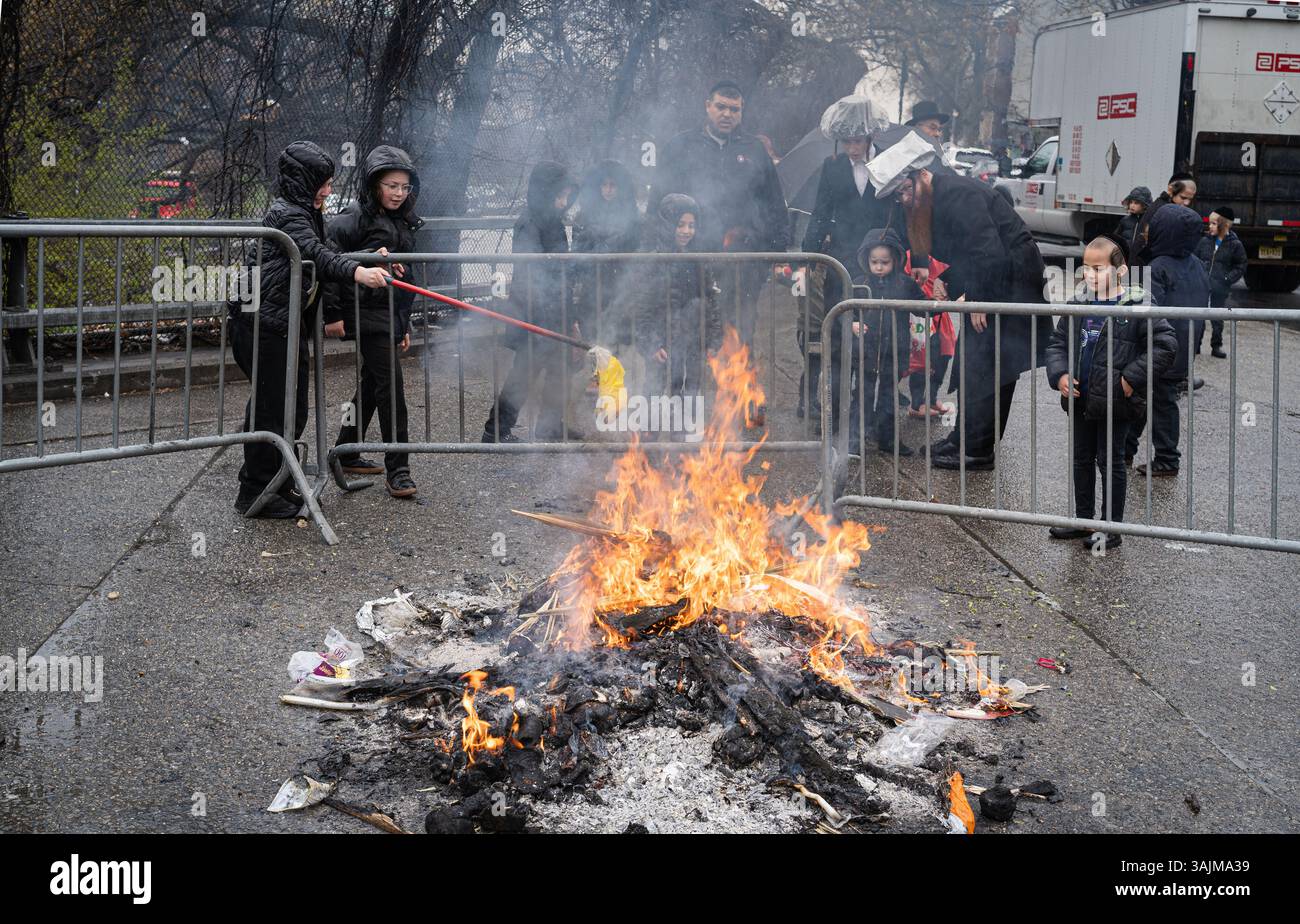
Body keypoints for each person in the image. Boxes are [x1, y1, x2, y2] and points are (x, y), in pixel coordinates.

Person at [227, 140, 390, 518]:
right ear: (303, 181)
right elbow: (315, 254)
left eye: (331, 182)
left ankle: (274, 483)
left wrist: (367, 257)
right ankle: (255, 493)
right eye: (323, 182)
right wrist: (358, 272)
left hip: (281, 327)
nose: (329, 191)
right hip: (263, 328)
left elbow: (328, 246)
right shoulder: (287, 215)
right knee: (273, 412)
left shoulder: (303, 211)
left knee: (289, 411)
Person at [887, 162, 1050, 471]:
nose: (905, 200)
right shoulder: (939, 195)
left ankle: (976, 451)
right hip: (996, 282)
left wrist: (980, 299)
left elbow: (988, 251)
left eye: (907, 191)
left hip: (1009, 283)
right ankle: (964, 439)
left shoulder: (959, 194)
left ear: (922, 176)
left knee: (985, 367)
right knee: (972, 362)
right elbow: (968, 255)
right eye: (899, 196)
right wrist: (950, 283)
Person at [650, 79, 790, 423]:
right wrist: (660, 249)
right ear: (707, 107)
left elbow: (775, 204)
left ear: (742, 112)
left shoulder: (754, 150)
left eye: (735, 109)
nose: (728, 114)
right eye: (721, 107)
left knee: (740, 330)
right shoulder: (679, 147)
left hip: (742, 263)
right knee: (686, 329)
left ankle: (745, 400)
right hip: (690, 262)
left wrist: (771, 252)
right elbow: (658, 205)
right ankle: (683, 404)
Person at [1044, 236, 1176, 551]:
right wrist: (1060, 374)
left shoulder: (1138, 305)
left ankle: (1110, 527)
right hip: (1081, 398)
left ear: (1120, 270)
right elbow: (1058, 343)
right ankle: (1084, 520)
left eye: (1098, 268)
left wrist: (1130, 380)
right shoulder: (1079, 303)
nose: (1090, 275)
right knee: (1081, 459)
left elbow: (1165, 344)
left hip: (1117, 401)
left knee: (1111, 461)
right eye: (1086, 268)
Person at [322, 145, 422, 498]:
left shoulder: (402, 221)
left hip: (387, 315)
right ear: (374, 185)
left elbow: (405, 279)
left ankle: (345, 449)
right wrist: (332, 314)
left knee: (370, 386)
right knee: (391, 389)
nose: (398, 193)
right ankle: (400, 469)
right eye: (391, 185)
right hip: (363, 314)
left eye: (404, 187)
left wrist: (404, 324)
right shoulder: (353, 218)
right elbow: (330, 261)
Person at [798, 96, 901, 422]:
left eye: (857, 141)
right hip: (840, 261)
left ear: (870, 137)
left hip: (878, 262)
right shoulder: (832, 166)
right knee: (839, 338)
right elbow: (820, 213)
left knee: (877, 341)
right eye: (846, 141)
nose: (852, 148)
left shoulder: (889, 162)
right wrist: (808, 255)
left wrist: (906, 255)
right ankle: (838, 418)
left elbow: (898, 215)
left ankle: (872, 417)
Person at [482, 162, 580, 443]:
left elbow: (561, 269)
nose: (564, 201)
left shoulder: (554, 221)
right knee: (523, 375)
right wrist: (542, 317)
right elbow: (530, 272)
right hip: (533, 315)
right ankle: (495, 431)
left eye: (567, 195)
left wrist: (568, 316)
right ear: (546, 192)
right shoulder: (529, 222)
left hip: (556, 311)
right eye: (560, 195)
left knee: (560, 371)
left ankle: (549, 426)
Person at [1123, 204, 1211, 477]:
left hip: (1160, 349)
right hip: (1181, 347)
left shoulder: (1159, 267)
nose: (1147, 233)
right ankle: (1126, 450)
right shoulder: (1195, 264)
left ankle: (1166, 458)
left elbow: (1147, 310)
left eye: (1153, 227)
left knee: (1155, 402)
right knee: (1151, 400)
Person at [635, 194, 718, 411]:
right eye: (680, 225)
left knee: (688, 394)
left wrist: (711, 340)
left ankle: (680, 437)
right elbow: (643, 307)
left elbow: (709, 300)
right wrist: (650, 344)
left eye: (691, 225)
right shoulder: (654, 260)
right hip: (661, 342)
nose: (686, 231)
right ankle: (648, 438)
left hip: (692, 342)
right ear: (667, 224)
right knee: (654, 392)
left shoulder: (698, 259)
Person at [848, 227, 922, 456]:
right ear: (866, 260)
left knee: (889, 396)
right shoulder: (859, 284)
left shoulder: (905, 284)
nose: (879, 267)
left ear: (896, 260)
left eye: (885, 262)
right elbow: (845, 309)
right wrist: (852, 322)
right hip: (865, 352)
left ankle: (888, 439)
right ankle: (855, 439)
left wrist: (941, 302)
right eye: (874, 262)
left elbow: (923, 305)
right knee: (862, 394)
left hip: (894, 350)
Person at [572, 160, 642, 345]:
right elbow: (577, 253)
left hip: (622, 286)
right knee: (594, 344)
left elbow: (638, 251)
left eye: (613, 185)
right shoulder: (584, 216)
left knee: (619, 342)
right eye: (604, 185)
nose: (608, 190)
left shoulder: (632, 217)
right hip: (593, 287)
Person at [1194, 206, 1247, 359]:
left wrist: (1227, 279)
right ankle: (1196, 344)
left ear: (1224, 225)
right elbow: (1195, 259)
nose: (1209, 226)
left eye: (1214, 224)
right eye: (1209, 223)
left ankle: (1216, 345)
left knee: (1217, 316)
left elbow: (1241, 265)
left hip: (1220, 286)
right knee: (1199, 314)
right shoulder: (1204, 241)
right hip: (1202, 285)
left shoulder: (1234, 244)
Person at [1134, 173, 1196, 263]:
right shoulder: (1165, 211)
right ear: (1170, 190)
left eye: (1190, 199)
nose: (1187, 203)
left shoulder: (1163, 207)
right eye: (1183, 197)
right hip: (1146, 265)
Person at [1114, 186, 1151, 252]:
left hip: (1139, 258)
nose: (1132, 205)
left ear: (1144, 205)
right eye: (1131, 202)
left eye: (1136, 203)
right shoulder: (1125, 220)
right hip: (1125, 255)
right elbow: (1115, 238)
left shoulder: (1148, 222)